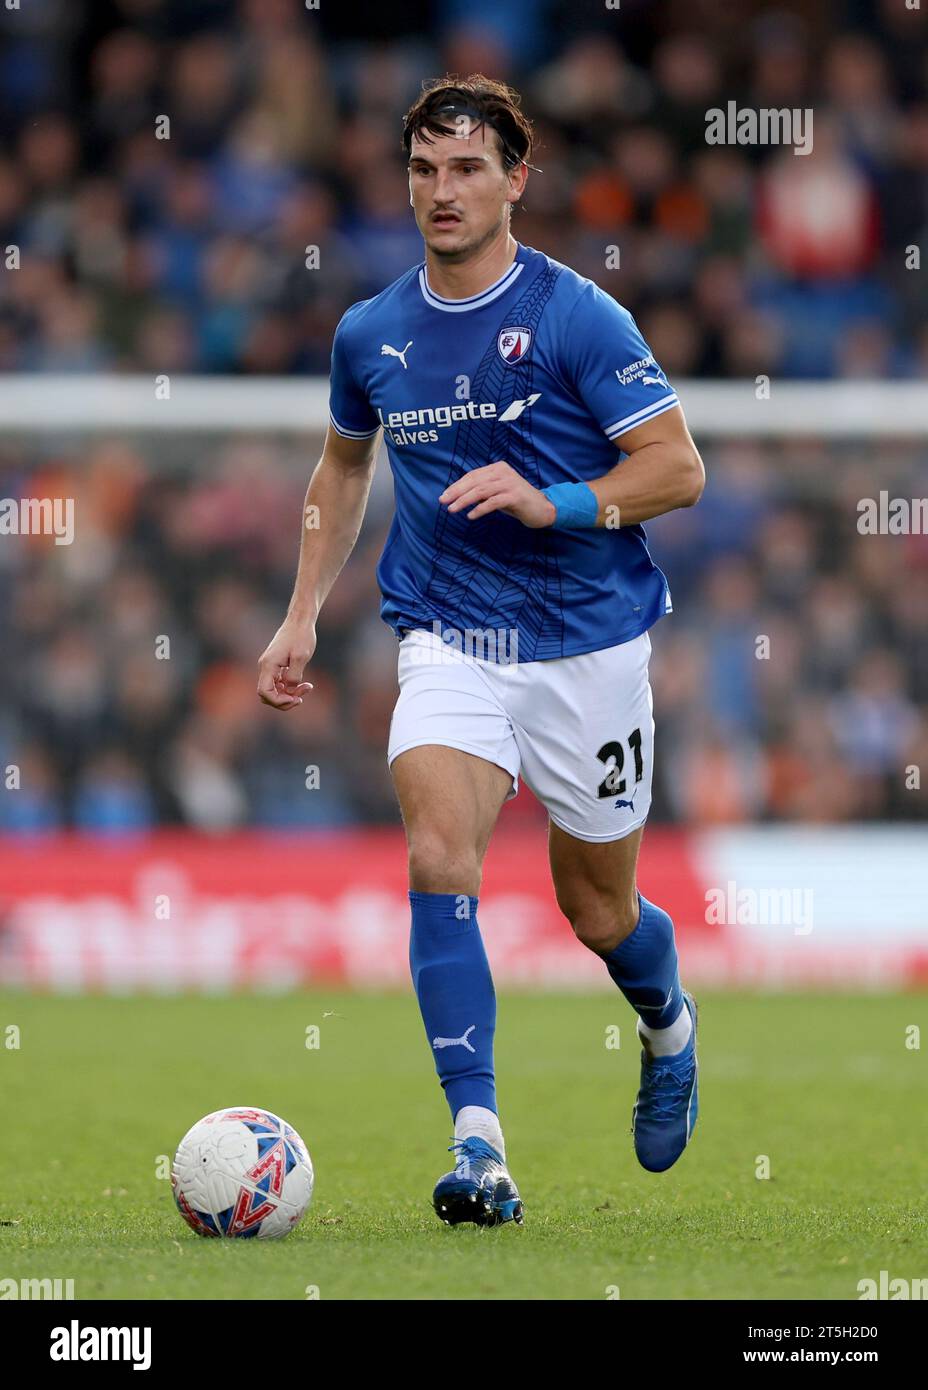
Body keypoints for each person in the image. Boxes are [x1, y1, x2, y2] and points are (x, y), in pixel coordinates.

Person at [258, 74, 706, 1229]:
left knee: (598, 912)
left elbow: (676, 468)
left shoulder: (575, 316)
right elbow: (344, 465)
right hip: (448, 635)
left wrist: (555, 498)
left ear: (517, 179)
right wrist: (304, 609)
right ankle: (480, 1147)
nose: (440, 191)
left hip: (588, 648)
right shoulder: (370, 333)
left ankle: (666, 1024)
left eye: (465, 169)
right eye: (421, 169)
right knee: (436, 850)